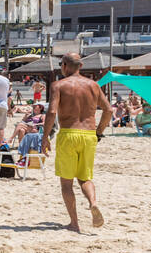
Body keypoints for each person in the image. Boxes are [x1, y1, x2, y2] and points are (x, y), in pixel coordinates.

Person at [41, 52, 112, 232]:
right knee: (85, 178)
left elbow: (51, 113)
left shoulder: (59, 85)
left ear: (64, 65)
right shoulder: (93, 85)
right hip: (89, 135)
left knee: (66, 182)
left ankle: (74, 223)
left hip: (68, 133)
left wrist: (45, 137)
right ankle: (93, 203)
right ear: (80, 66)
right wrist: (99, 132)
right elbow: (109, 110)